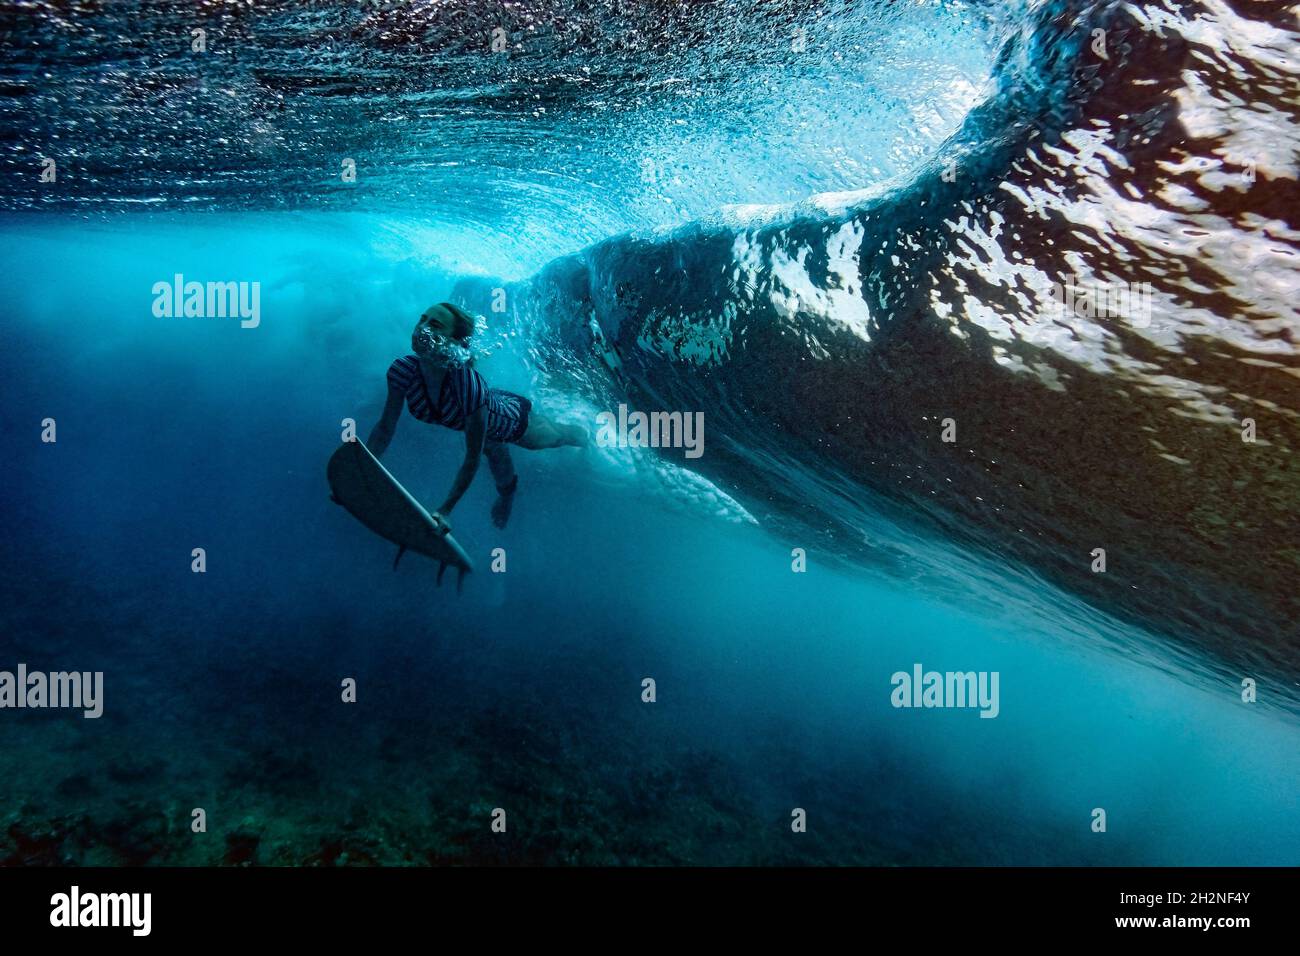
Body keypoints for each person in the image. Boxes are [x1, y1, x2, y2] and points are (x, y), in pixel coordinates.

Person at [368, 302, 585, 531]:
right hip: (484, 415)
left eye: (435, 325)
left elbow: (471, 459)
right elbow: (384, 428)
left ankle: (588, 437)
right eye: (422, 319)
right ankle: (507, 497)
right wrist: (365, 468)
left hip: (512, 421)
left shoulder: (466, 384)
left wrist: (444, 511)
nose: (422, 328)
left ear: (453, 341)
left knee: (558, 437)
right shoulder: (402, 372)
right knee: (493, 450)